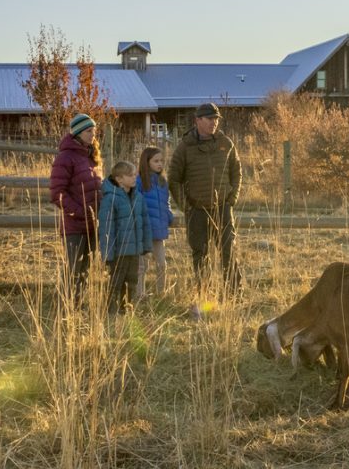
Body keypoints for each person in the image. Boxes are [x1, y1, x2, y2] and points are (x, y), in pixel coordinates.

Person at [168, 101, 242, 292]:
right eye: (209, 119)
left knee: (228, 251)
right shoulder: (185, 147)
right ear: (197, 120)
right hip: (197, 210)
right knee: (200, 254)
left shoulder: (226, 143)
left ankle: (234, 292)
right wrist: (186, 206)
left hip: (222, 208)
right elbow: (174, 179)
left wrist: (231, 199)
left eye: (216, 119)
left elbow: (237, 171)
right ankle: (204, 294)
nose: (214, 123)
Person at [49, 113, 103, 303]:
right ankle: (67, 306)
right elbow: (57, 193)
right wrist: (80, 213)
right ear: (78, 133)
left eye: (94, 131)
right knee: (73, 268)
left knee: (85, 268)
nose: (93, 135)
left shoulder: (90, 157)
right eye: (89, 131)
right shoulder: (66, 158)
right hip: (75, 225)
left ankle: (77, 305)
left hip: (91, 225)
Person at [99, 160, 151, 314]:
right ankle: (110, 311)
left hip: (134, 251)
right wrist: (108, 253)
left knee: (132, 281)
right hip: (119, 251)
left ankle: (126, 310)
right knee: (116, 281)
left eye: (135, 174)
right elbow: (107, 227)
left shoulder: (138, 197)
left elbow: (145, 223)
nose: (135, 178)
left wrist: (146, 246)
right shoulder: (110, 198)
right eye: (130, 175)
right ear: (119, 179)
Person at [136, 146, 172, 299]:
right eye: (156, 161)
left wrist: (168, 216)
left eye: (161, 161)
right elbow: (135, 202)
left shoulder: (163, 182)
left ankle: (160, 293)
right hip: (144, 229)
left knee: (162, 263)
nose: (160, 164)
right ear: (146, 162)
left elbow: (166, 203)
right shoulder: (139, 181)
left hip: (159, 229)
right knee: (142, 265)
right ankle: (140, 294)